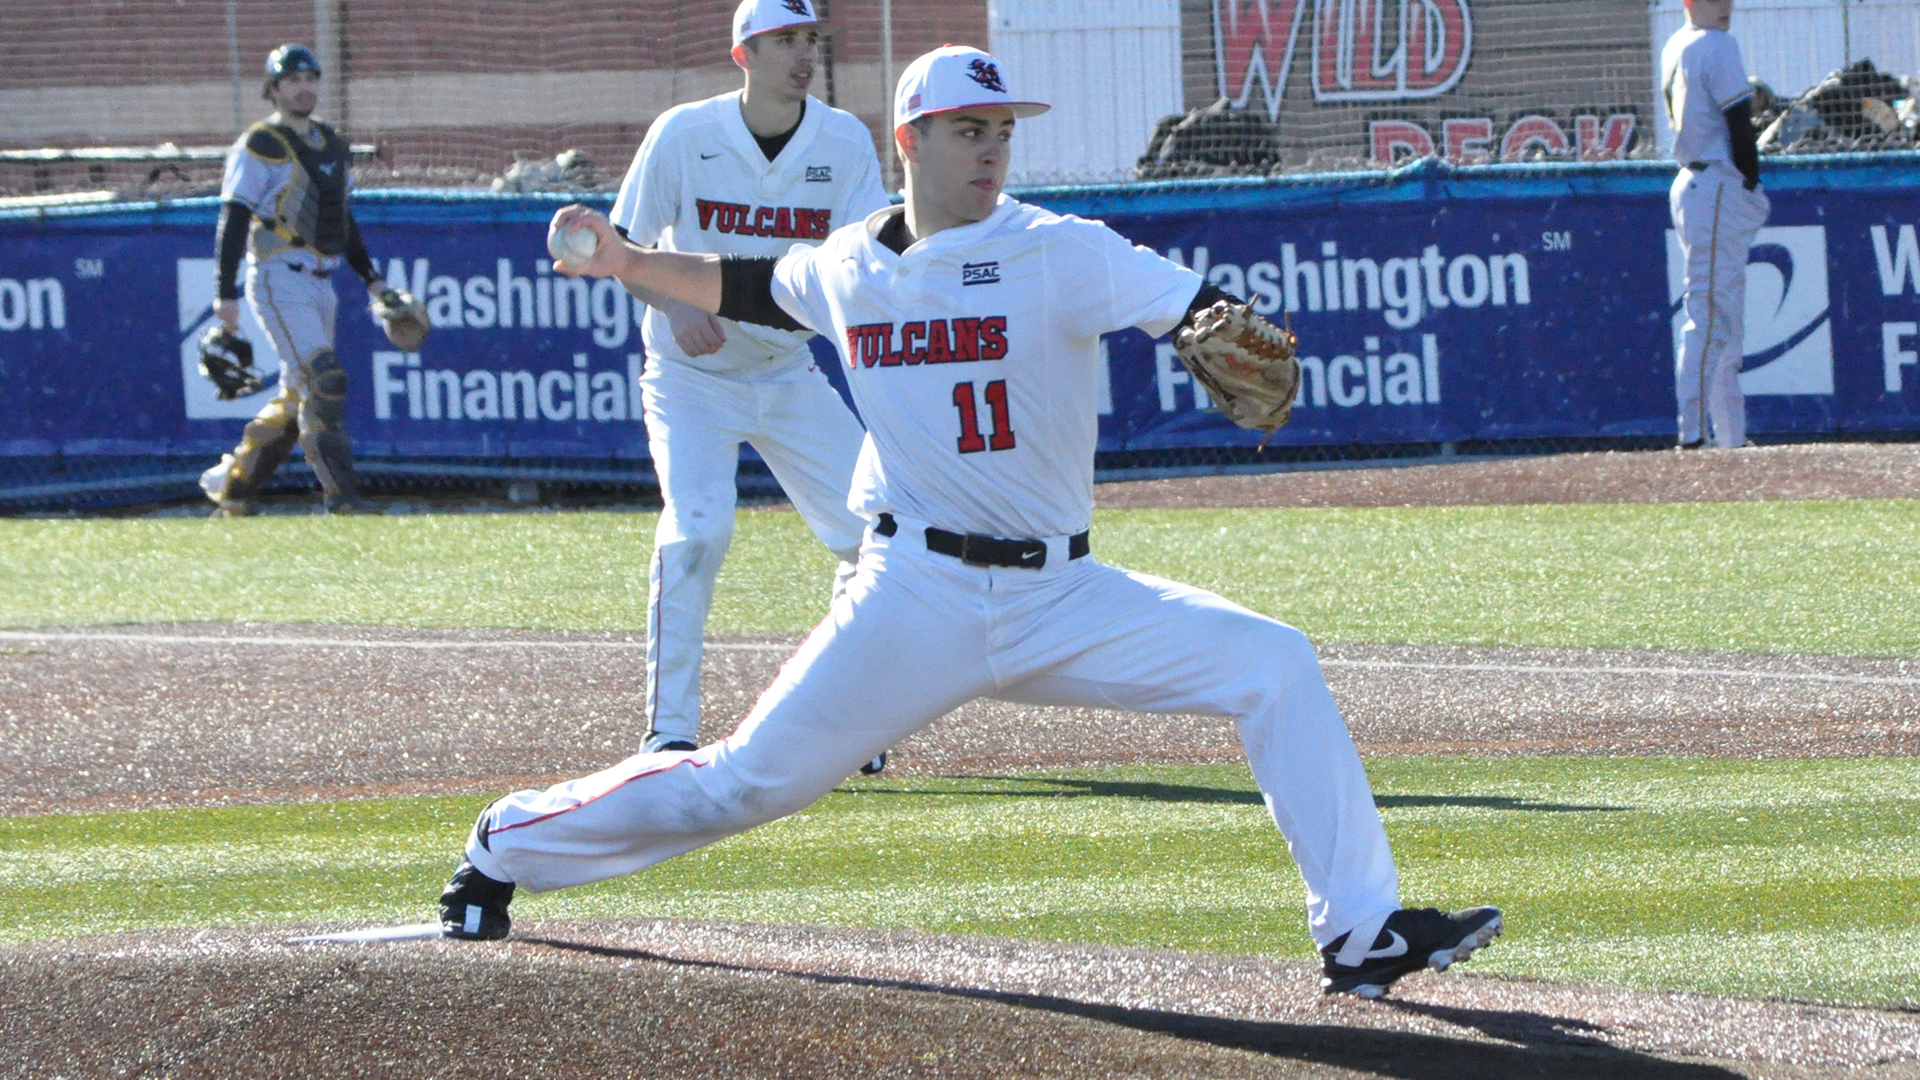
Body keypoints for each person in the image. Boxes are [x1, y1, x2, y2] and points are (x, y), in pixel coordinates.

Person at [439, 45, 1501, 1000]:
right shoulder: (852, 261)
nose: (990, 150)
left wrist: (1217, 331)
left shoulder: (1060, 249)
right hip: (913, 596)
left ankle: (1361, 932)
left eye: (1000, 131)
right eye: (966, 130)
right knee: (738, 785)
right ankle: (507, 841)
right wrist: (626, 261)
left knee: (1274, 665)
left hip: (1063, 594)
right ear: (910, 140)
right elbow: (746, 284)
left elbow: (1198, 308)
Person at [609, 0, 890, 766]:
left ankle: (846, 720)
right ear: (743, 54)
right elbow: (624, 250)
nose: (802, 55)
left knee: (880, 532)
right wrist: (672, 302)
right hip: (690, 372)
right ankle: (669, 731)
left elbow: (860, 263)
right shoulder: (684, 133)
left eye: (809, 40)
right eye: (782, 41)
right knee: (698, 530)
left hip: (786, 367)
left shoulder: (841, 138)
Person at [199, 44, 387, 517]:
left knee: (297, 393)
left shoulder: (330, 142)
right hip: (279, 275)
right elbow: (235, 217)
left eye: (311, 77)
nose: (305, 87)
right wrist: (224, 292)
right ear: (274, 88)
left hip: (322, 281)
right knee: (325, 377)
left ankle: (235, 489)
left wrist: (372, 280)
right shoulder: (261, 143)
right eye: (293, 79)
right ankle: (342, 497)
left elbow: (341, 218)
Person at [1662, 0, 1768, 450]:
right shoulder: (1717, 43)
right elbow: (1740, 126)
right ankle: (1692, 436)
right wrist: (1749, 180)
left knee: (1721, 317)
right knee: (1709, 316)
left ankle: (1730, 438)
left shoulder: (1675, 43)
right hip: (1715, 185)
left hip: (1696, 183)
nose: (1726, 5)